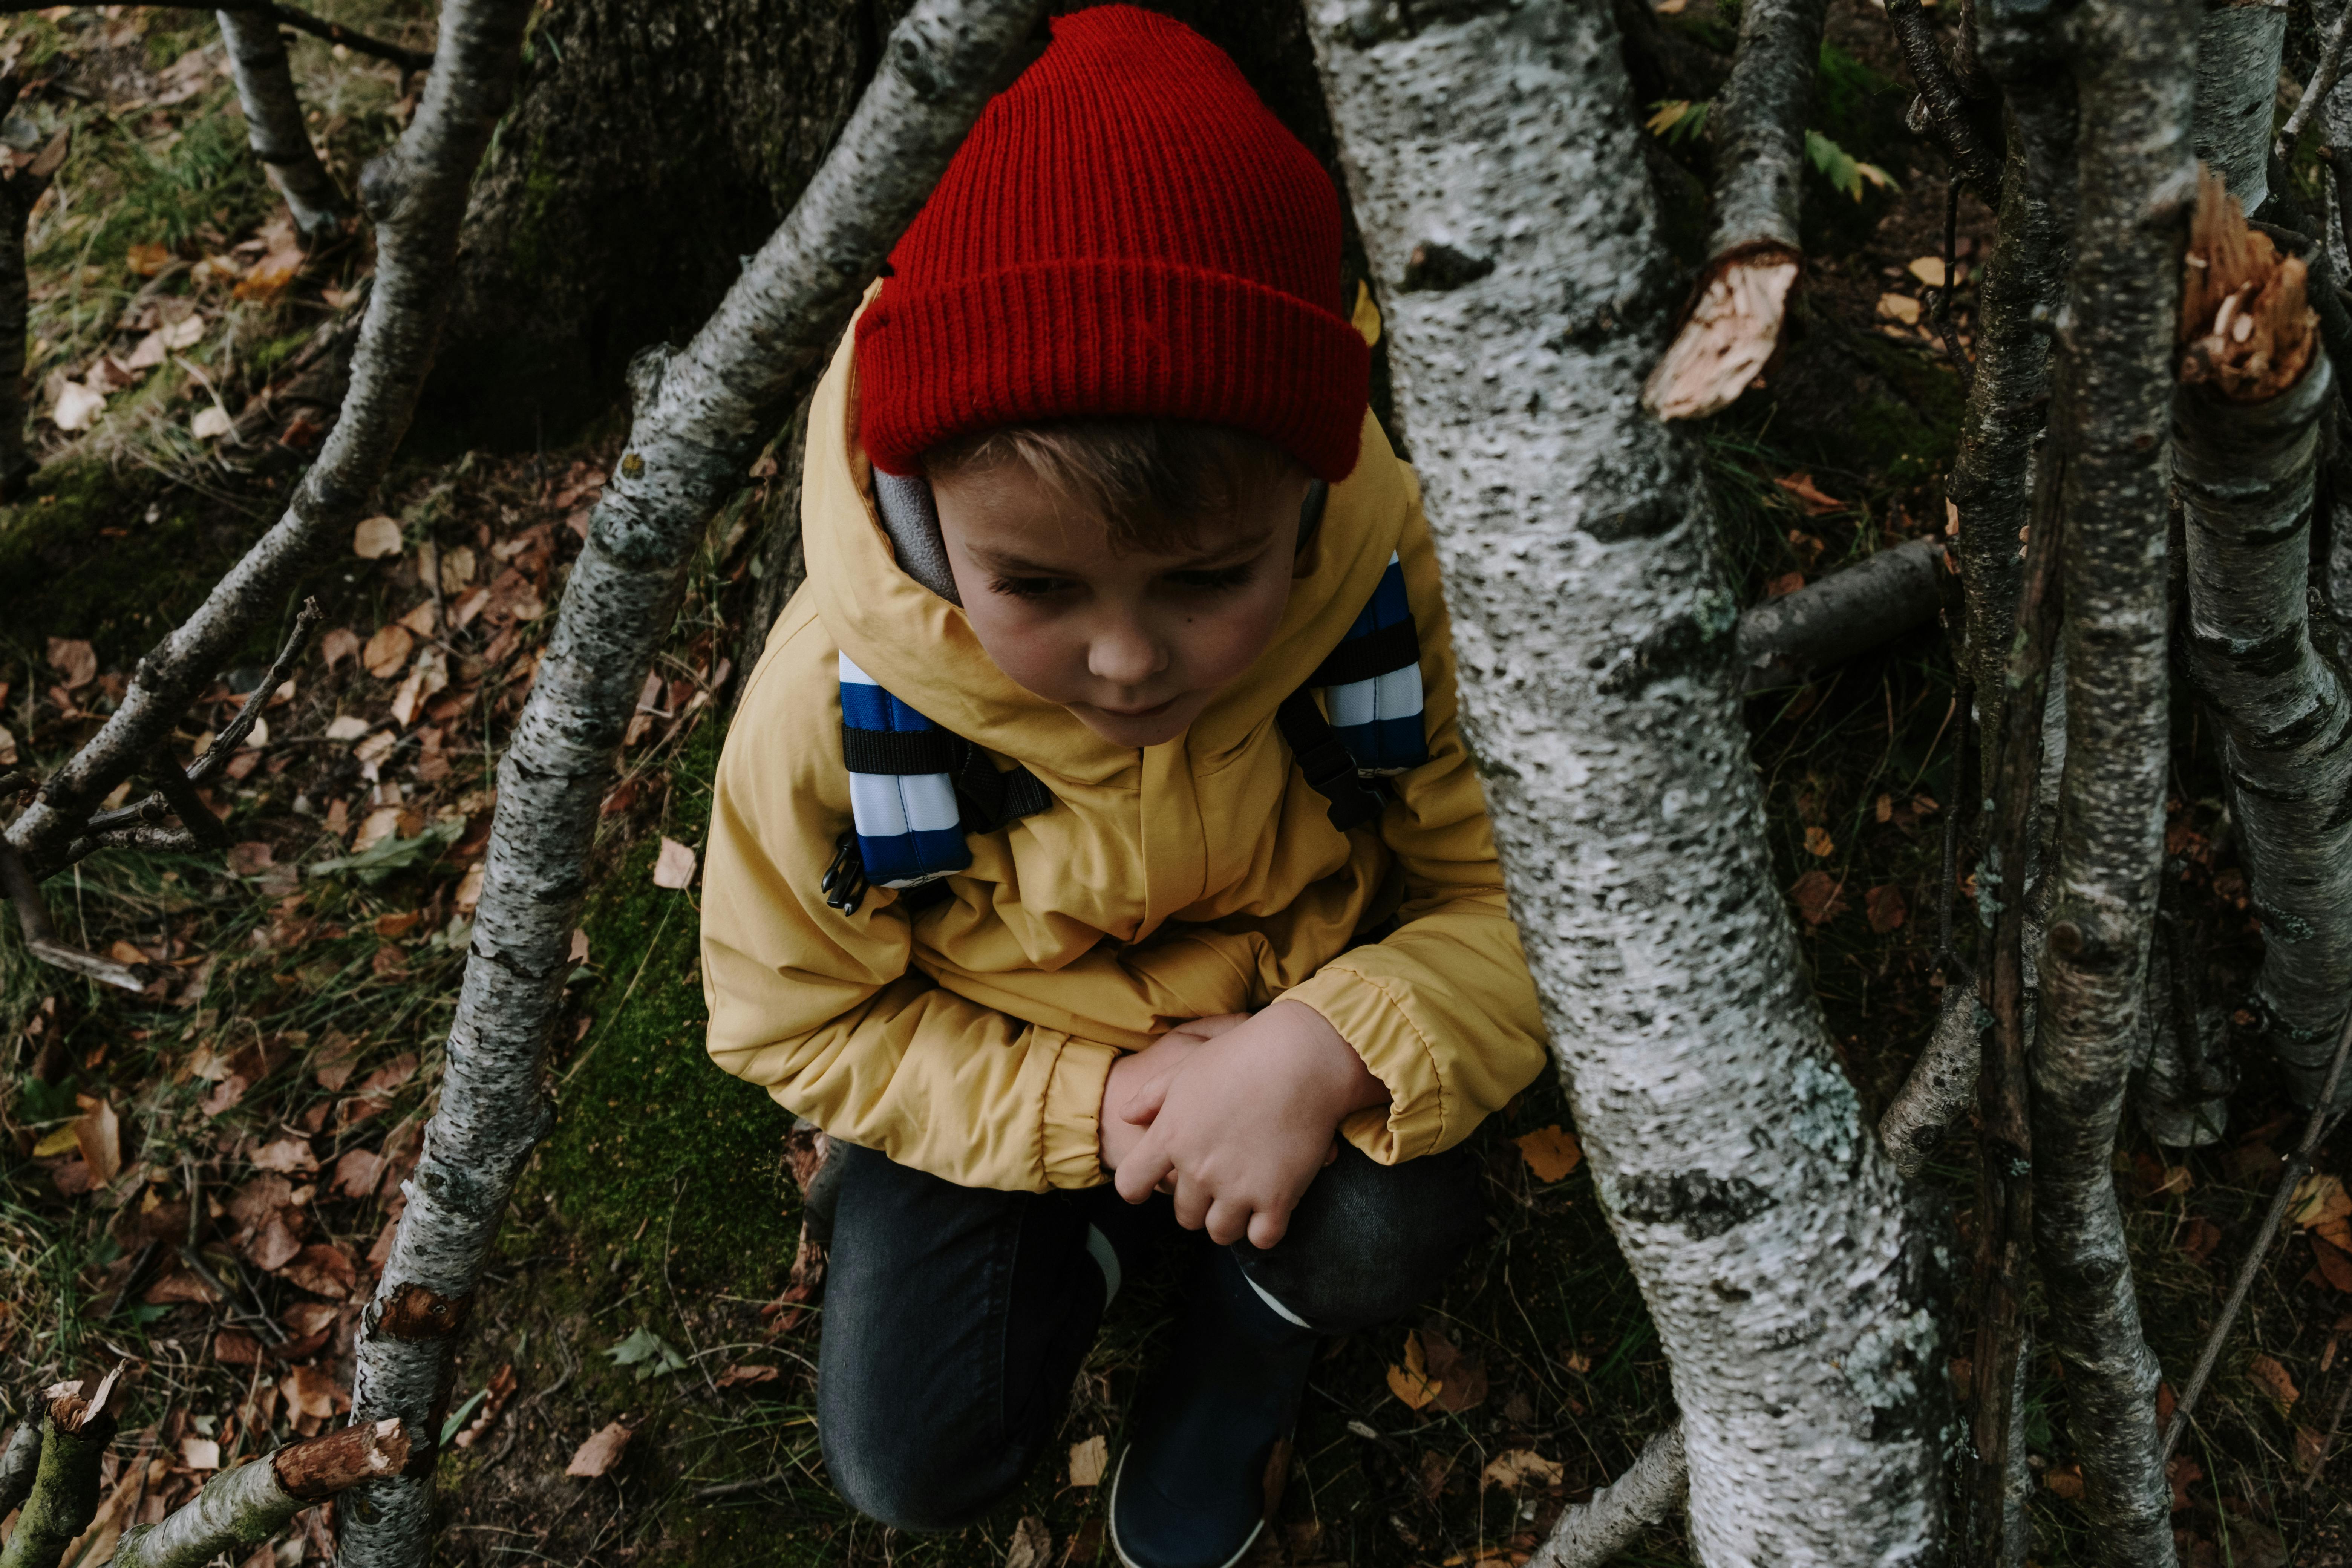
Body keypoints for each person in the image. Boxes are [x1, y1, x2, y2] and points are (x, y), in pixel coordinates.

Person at [698, 8, 1545, 1564]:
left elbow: (1530, 900)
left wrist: (1328, 1048)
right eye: (1040, 585)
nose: (1127, 662)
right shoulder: (837, 702)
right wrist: (1094, 1115)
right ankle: (1105, 1225)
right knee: (909, 1453)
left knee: (1398, 1214)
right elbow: (795, 1013)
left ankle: (1244, 1337)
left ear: (1309, 493)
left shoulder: (1389, 592)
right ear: (927, 509)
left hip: (1298, 1030)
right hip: (1012, 1059)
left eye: (1207, 579)